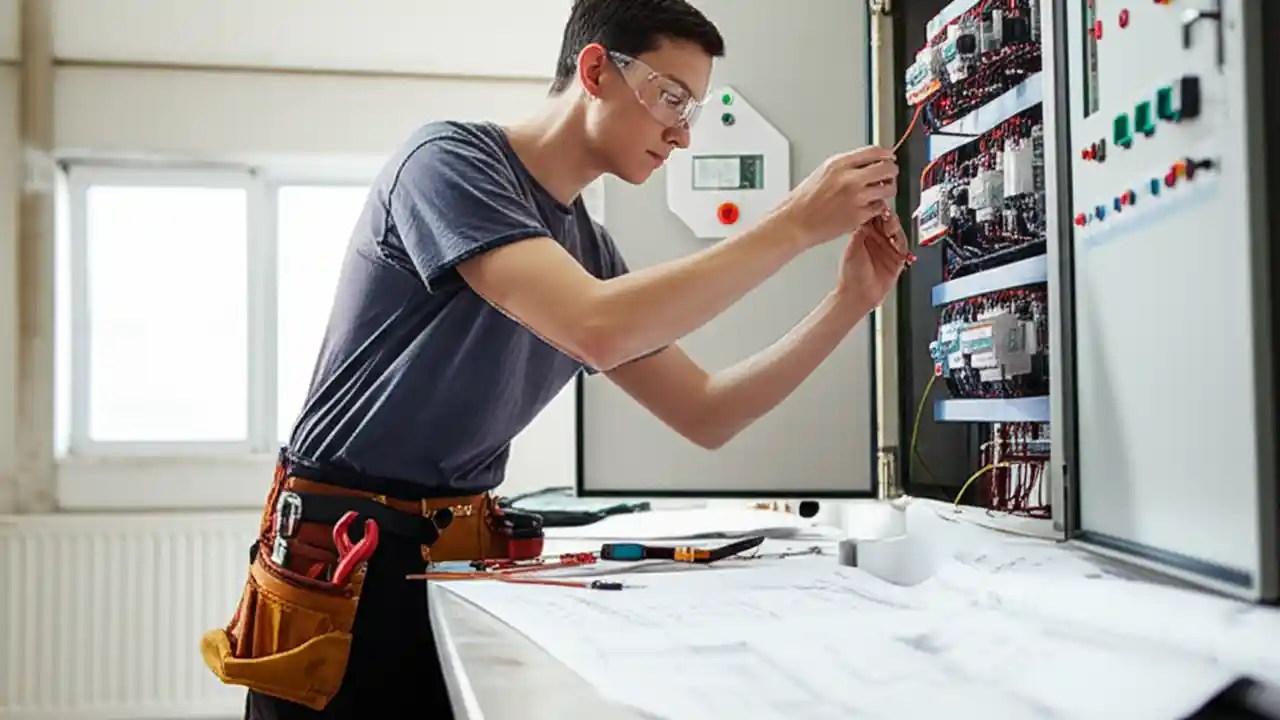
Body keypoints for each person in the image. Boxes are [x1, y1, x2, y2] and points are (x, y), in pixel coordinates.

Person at [203, 0, 907, 717]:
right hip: (346, 563)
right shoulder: (449, 162)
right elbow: (593, 325)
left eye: (692, 108)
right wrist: (791, 226)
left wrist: (850, 301)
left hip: (453, 552)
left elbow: (708, 411)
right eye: (671, 97)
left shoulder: (590, 251)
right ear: (596, 69)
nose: (683, 134)